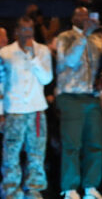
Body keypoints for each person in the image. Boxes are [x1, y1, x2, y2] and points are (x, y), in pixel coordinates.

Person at [54, 6, 102, 199]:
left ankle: (91, 186)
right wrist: (84, 35)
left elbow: (101, 64)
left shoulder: (97, 39)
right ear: (73, 18)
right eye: (80, 15)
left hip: (91, 96)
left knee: (95, 143)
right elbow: (69, 61)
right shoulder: (64, 37)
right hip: (70, 96)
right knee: (72, 144)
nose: (84, 18)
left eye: (87, 15)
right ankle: (69, 188)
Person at [0, 15, 53, 199]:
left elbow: (47, 78)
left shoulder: (43, 51)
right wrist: (0, 112)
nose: (27, 33)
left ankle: (34, 188)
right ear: (16, 31)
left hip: (36, 110)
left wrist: (33, 58)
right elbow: (0, 84)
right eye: (23, 29)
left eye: (30, 29)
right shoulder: (5, 52)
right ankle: (10, 189)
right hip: (13, 110)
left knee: (36, 152)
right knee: (11, 153)